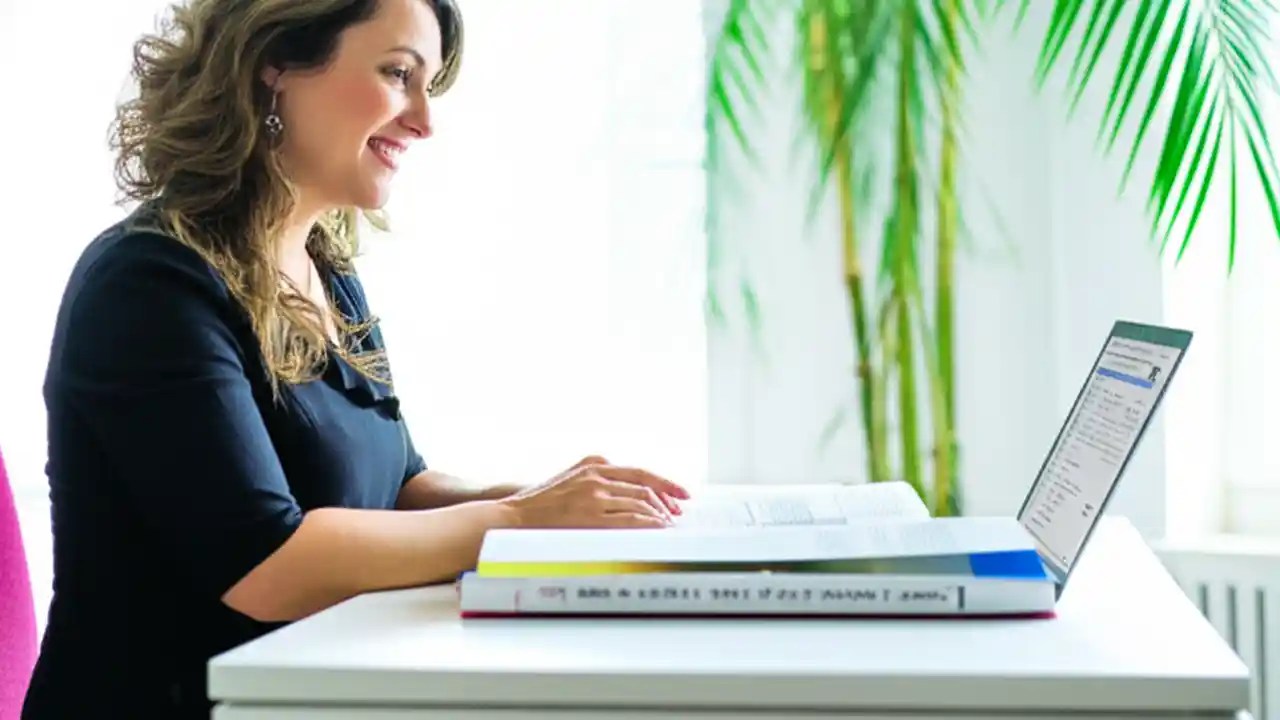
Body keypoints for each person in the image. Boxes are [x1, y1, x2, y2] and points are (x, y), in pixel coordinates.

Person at [21, 1, 688, 717]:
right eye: (398, 74)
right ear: (274, 62)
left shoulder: (323, 268)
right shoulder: (148, 283)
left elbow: (396, 485)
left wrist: (550, 501)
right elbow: (265, 564)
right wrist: (520, 522)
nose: (424, 121)